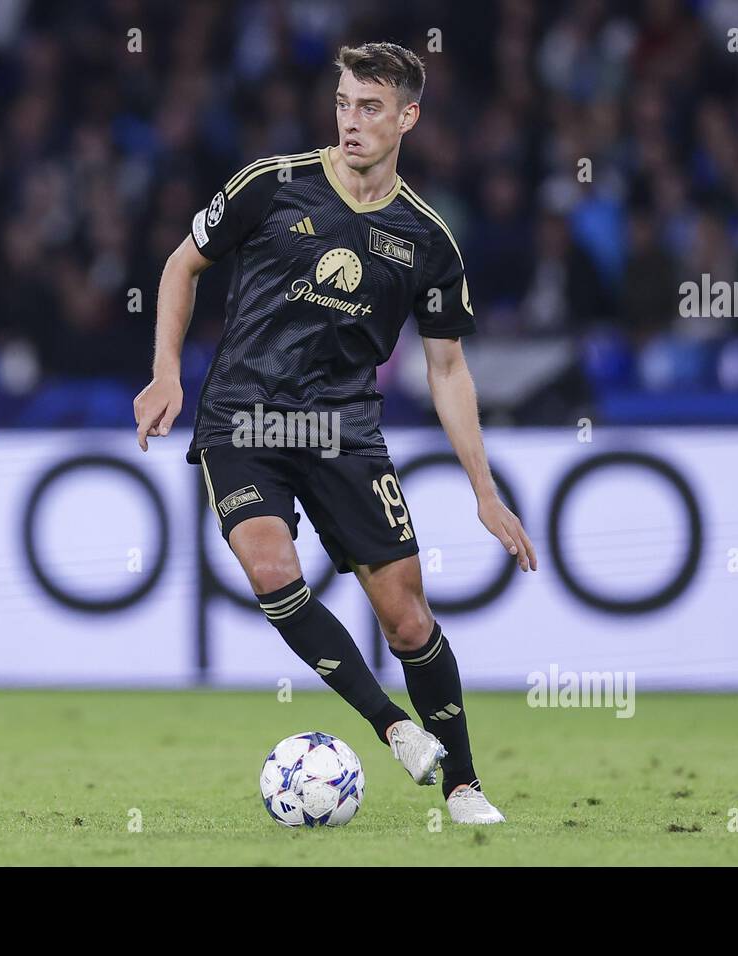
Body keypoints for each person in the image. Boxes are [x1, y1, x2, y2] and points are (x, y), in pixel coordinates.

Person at [134, 42, 537, 824]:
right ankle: (390, 727)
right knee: (269, 565)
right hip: (243, 417)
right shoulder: (270, 186)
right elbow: (182, 266)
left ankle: (463, 785)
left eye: (372, 108)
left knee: (409, 618)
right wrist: (166, 371)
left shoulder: (427, 239)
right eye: (345, 104)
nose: (352, 122)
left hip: (343, 430)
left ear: (408, 118)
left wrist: (484, 494)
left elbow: (448, 370)